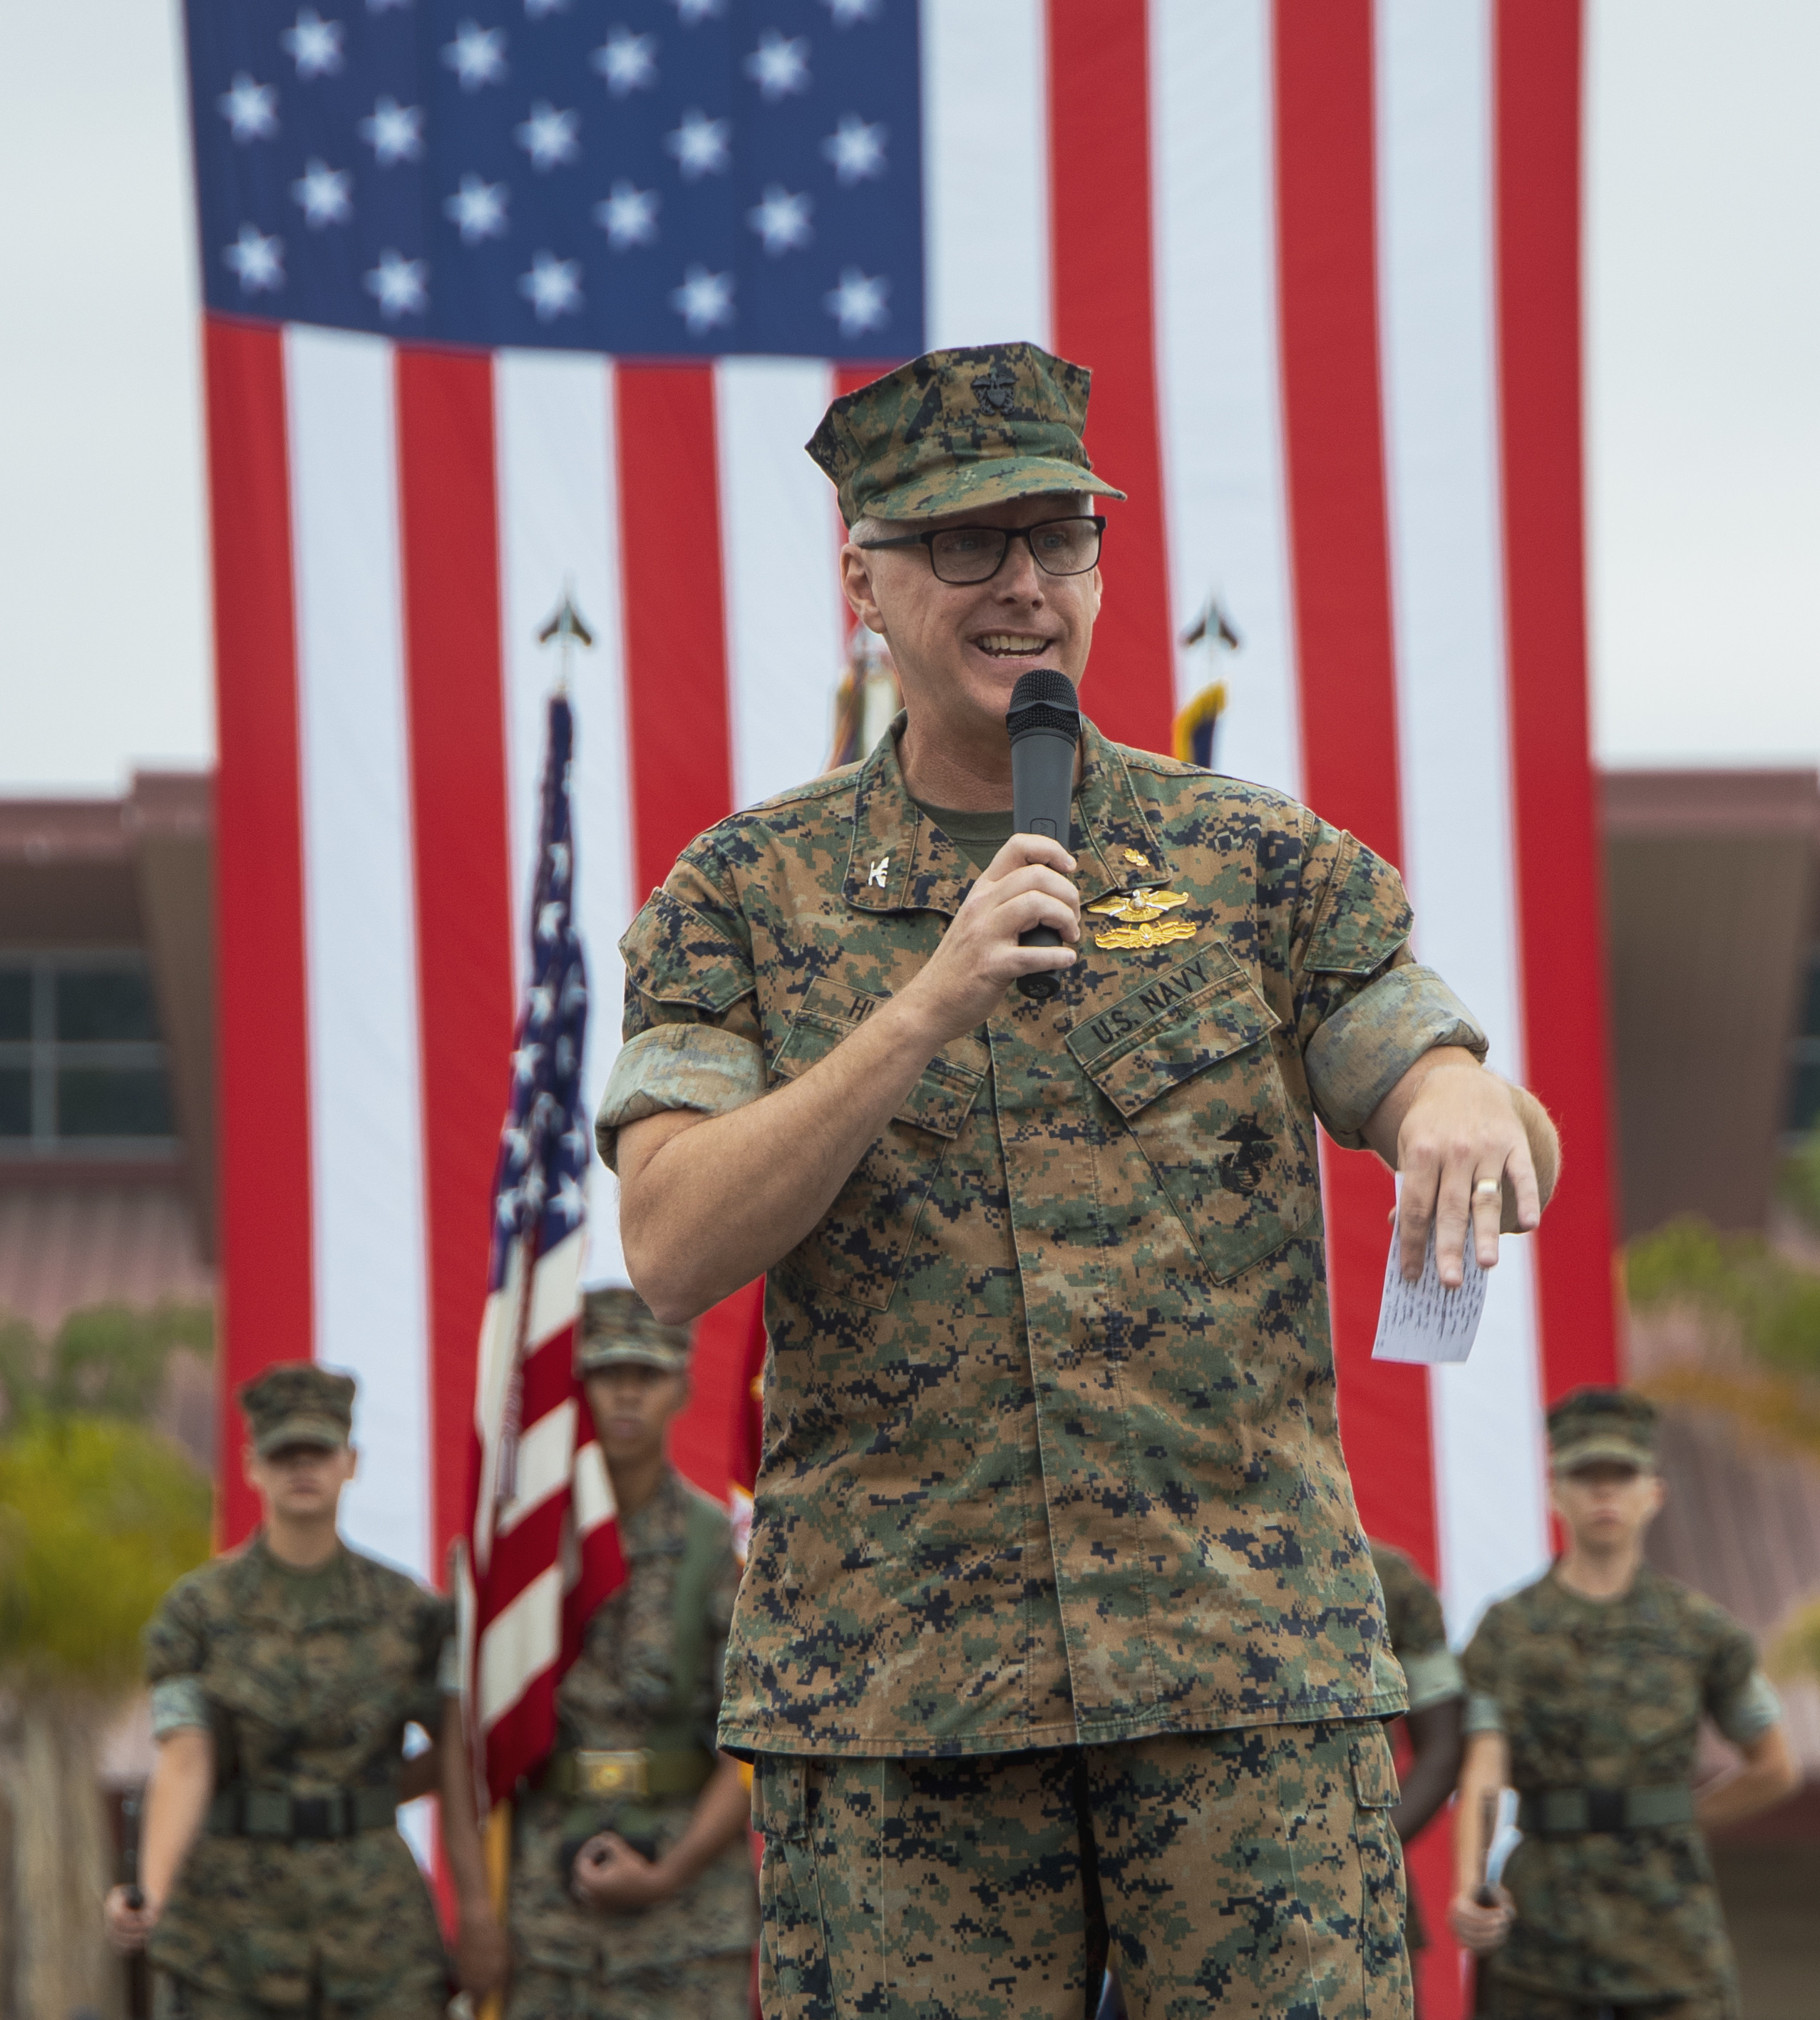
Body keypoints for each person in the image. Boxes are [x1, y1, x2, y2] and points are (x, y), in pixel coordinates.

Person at [600, 339, 1561, 2020]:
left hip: (1239, 1683)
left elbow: (1428, 1071)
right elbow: (672, 1246)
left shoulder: (1250, 860)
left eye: (1058, 536)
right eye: (966, 543)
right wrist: (925, 1004)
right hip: (900, 1707)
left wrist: (1460, 1097)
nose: (1024, 586)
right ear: (864, 583)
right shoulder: (742, 895)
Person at [104, 1360, 504, 2019]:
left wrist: (478, 1911)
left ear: (351, 1462)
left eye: (317, 1450)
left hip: (376, 1929)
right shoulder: (199, 1612)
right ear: (251, 1466)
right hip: (233, 1933)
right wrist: (153, 1891)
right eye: (282, 1453)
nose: (301, 1468)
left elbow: (456, 1765)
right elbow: (184, 1761)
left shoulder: (408, 1613)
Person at [1449, 1385, 1799, 2019]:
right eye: (1585, 1475)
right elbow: (1483, 1770)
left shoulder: (1700, 1629)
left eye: (1623, 1474)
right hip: (1543, 1936)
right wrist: (1467, 1886)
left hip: (1668, 1932)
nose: (1604, 1492)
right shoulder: (1507, 1630)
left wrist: (1678, 1817)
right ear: (1555, 1492)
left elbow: (1774, 1765)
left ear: (1653, 1492)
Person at [505, 1286, 756, 2020]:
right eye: (606, 1372)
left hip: (688, 1906)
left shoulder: (719, 1551)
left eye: (646, 1374)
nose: (625, 1393)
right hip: (550, 1900)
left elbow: (748, 1747)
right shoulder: (528, 1554)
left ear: (682, 1388)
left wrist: (667, 1872)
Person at [1369, 1542, 1466, 2011]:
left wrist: (1366, 1845)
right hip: (1193, 1902)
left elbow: (1443, 1749)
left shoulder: (1383, 1575)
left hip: (1362, 1909)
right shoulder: (1163, 1556)